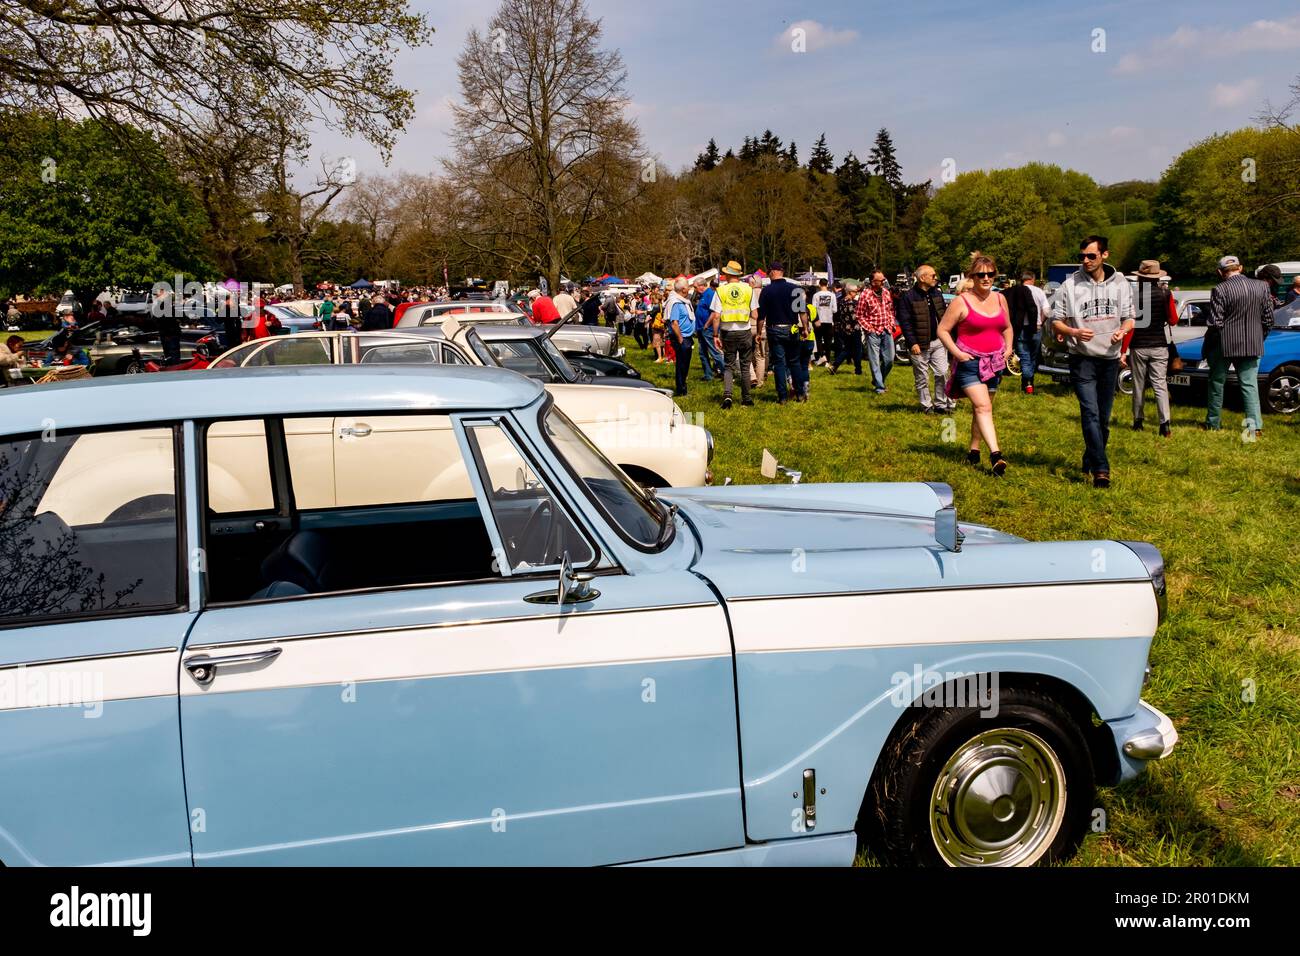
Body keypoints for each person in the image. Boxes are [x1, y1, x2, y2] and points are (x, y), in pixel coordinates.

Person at [1051, 235, 1136, 488]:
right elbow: (1057, 320)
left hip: (1109, 359)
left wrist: (1123, 331)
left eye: (1091, 256)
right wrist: (1074, 332)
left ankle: (1090, 457)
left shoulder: (1120, 283)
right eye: (1082, 256)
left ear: (1104, 255)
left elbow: (1130, 317)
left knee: (1104, 418)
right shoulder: (1070, 285)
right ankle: (1101, 469)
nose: (1085, 261)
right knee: (1089, 412)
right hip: (1082, 358)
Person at [936, 254, 1013, 475]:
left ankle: (973, 450)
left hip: (994, 362)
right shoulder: (962, 301)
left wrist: (1008, 348)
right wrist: (958, 354)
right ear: (972, 276)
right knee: (983, 407)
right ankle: (996, 456)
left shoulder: (1000, 299)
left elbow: (1007, 327)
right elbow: (942, 330)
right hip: (969, 363)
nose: (986, 278)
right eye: (981, 274)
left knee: (981, 409)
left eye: (990, 274)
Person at [1204, 255, 1273, 436]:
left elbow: (1215, 323)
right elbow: (1268, 319)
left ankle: (1213, 422)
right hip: (1253, 342)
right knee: (1249, 385)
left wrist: (1211, 345)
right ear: (1240, 268)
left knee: (1217, 383)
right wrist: (1260, 337)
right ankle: (1254, 426)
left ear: (1220, 272)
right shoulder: (1262, 286)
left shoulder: (1220, 289)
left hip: (1224, 342)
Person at [1124, 260, 1180, 437]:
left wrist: (1122, 351)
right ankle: (1165, 424)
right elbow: (1173, 320)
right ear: (1157, 277)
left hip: (1138, 345)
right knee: (1160, 385)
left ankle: (1138, 421)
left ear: (1140, 277)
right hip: (1159, 345)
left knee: (1138, 384)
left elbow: (1129, 325)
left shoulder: (1133, 296)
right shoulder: (1165, 294)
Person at [895, 265, 953, 413]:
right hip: (919, 345)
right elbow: (905, 322)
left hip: (938, 342)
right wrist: (912, 342)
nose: (936, 278)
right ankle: (926, 405)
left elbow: (944, 316)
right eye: (933, 276)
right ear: (922, 278)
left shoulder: (937, 294)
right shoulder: (908, 297)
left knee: (942, 373)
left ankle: (940, 404)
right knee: (922, 377)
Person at [758, 262, 808, 404]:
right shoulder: (795, 289)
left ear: (772, 272)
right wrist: (805, 328)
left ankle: (783, 396)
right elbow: (802, 312)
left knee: (779, 363)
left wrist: (758, 333)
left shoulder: (767, 291)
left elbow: (761, 315)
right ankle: (799, 393)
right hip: (792, 328)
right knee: (794, 362)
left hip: (774, 329)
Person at [711, 261, 759, 409]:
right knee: (745, 366)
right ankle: (747, 399)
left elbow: (716, 316)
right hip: (744, 330)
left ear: (727, 274)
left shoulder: (721, 291)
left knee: (729, 366)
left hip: (728, 332)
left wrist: (714, 335)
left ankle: (727, 397)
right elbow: (755, 314)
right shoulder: (749, 290)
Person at [1005, 270, 1047, 393]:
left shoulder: (1014, 291)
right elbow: (1047, 311)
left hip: (1020, 328)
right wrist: (1041, 323)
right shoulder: (1039, 291)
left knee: (1024, 357)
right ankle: (1028, 383)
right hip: (1036, 328)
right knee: (1033, 357)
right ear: (1033, 279)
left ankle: (1027, 382)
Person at [854, 270, 896, 394]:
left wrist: (891, 323)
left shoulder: (886, 293)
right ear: (873, 282)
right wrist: (869, 329)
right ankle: (879, 387)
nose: (884, 282)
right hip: (873, 331)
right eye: (881, 280)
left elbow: (891, 310)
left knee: (890, 360)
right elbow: (859, 315)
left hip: (886, 329)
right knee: (875, 360)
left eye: (884, 279)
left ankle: (878, 380)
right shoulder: (865, 295)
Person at [665, 278, 696, 397]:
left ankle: (683, 387)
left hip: (686, 337)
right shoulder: (676, 303)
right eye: (688, 286)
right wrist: (680, 339)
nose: (689, 288)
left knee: (685, 364)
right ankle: (681, 390)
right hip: (682, 337)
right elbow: (674, 323)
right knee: (682, 364)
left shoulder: (683, 300)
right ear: (683, 289)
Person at [692, 276, 725, 382]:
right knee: (702, 353)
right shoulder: (701, 295)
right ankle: (708, 375)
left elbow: (714, 312)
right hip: (701, 328)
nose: (694, 289)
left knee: (715, 352)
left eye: (695, 287)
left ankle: (727, 373)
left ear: (702, 286)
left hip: (708, 329)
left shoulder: (710, 294)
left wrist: (706, 324)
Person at [831, 280, 863, 375]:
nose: (856, 293)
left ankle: (835, 366)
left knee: (847, 349)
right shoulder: (852, 303)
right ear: (850, 292)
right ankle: (858, 370)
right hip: (854, 329)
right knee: (857, 350)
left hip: (844, 329)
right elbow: (854, 317)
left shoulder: (841, 302)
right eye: (854, 292)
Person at [153, 286, 182, 363]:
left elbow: (166, 320)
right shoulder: (161, 306)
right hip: (168, 334)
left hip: (169, 334)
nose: (156, 296)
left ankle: (173, 367)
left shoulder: (164, 306)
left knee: (171, 355)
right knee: (171, 354)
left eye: (158, 295)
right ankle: (173, 367)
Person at [811, 279, 837, 366]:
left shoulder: (816, 295)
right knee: (828, 341)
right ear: (827, 284)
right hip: (829, 320)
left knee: (818, 340)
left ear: (819, 285)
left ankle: (821, 358)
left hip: (818, 320)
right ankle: (828, 360)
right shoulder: (832, 295)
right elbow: (835, 310)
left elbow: (813, 309)